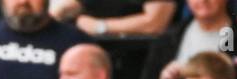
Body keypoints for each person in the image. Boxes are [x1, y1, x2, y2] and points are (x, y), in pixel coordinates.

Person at [51, 0, 179, 38]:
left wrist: (101, 26)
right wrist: (53, 15)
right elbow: (82, 4)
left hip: (140, 55)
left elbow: (155, 23)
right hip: (99, 51)